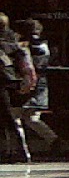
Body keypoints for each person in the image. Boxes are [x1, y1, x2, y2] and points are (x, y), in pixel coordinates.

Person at [0, 13, 36, 164]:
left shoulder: (7, 41)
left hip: (4, 81)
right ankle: (13, 150)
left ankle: (19, 150)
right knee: (7, 117)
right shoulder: (11, 39)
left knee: (8, 117)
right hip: (9, 81)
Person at [17, 20, 55, 155]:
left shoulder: (37, 47)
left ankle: (53, 141)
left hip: (32, 83)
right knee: (29, 117)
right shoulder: (43, 45)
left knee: (24, 116)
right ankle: (52, 140)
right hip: (36, 82)